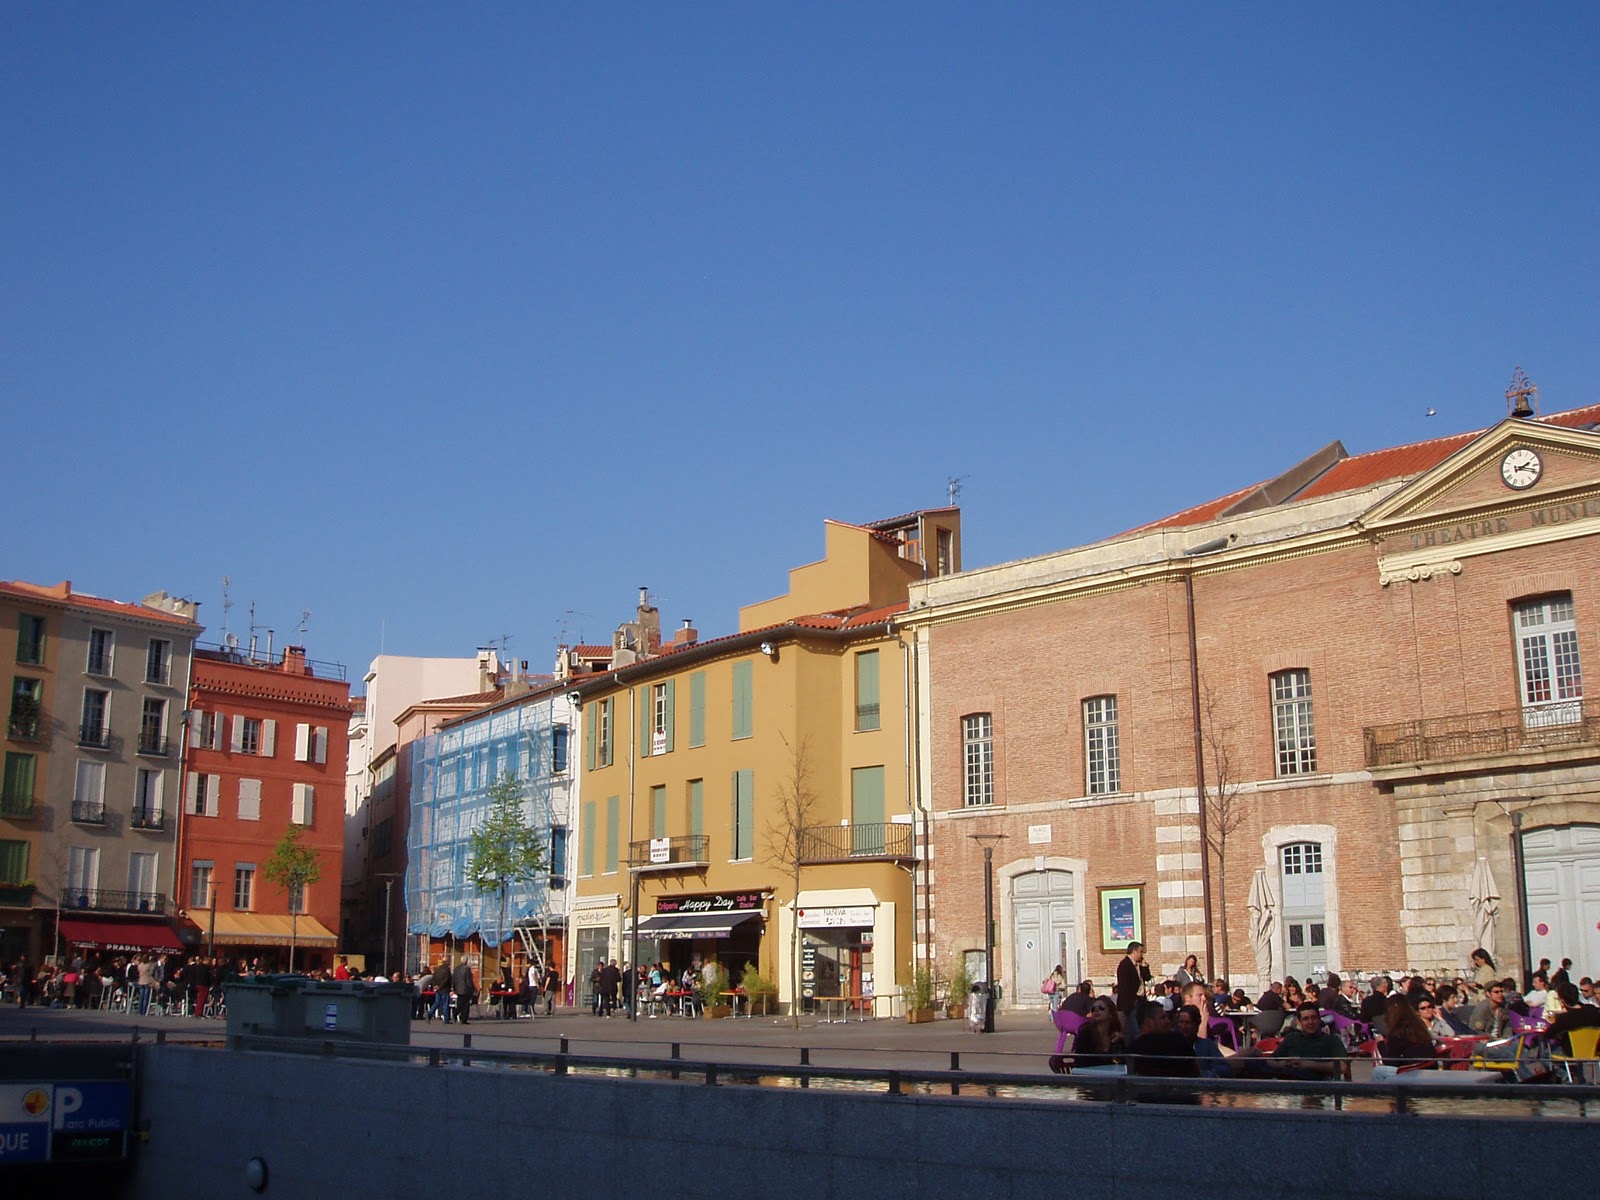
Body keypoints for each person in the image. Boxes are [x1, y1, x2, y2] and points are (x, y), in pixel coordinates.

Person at [1265, 1002, 1348, 1079]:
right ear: (1299, 1022)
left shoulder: (1332, 1040)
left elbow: (1343, 1067)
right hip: (1289, 1081)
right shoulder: (1291, 1038)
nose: (1310, 1022)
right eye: (1305, 1019)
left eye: (1313, 1018)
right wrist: (1283, 1064)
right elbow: (1270, 1061)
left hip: (1316, 1083)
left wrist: (1307, 1064)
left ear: (1319, 1019)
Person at [1176, 1003, 1233, 1078]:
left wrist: (1204, 1074)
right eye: (1181, 1022)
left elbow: (1225, 1068)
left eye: (1187, 1023)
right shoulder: (1172, 1045)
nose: (1183, 1027)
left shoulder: (1207, 1045)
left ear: (1197, 1024)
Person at [1381, 995, 1437, 1068]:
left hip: (1412, 1070)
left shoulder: (1397, 1031)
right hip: (1428, 1067)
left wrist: (1380, 1044)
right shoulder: (1419, 1026)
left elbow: (1391, 1062)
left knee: (1378, 1071)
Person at [1071, 997, 1125, 1067]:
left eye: (1101, 1008)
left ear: (1110, 1013)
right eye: (1093, 1009)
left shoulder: (1115, 1035)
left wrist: (1122, 1039)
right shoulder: (1086, 1033)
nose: (1096, 1010)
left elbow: (1123, 1061)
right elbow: (1081, 1061)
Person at [1115, 942, 1145, 1020]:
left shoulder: (1138, 964)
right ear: (1134, 952)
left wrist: (1145, 967)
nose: (1142, 955)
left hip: (1139, 1001)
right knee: (1132, 1029)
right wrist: (1128, 1005)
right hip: (1130, 1004)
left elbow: (1146, 978)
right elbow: (1124, 986)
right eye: (1140, 952)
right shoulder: (1125, 965)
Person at [451, 958, 477, 1024]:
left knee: (460, 1003)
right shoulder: (467, 969)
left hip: (458, 989)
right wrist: (472, 988)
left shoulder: (456, 968)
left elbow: (454, 979)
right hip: (466, 989)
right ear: (466, 961)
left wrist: (454, 987)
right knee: (465, 1005)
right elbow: (468, 980)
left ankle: (456, 1014)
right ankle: (463, 1019)